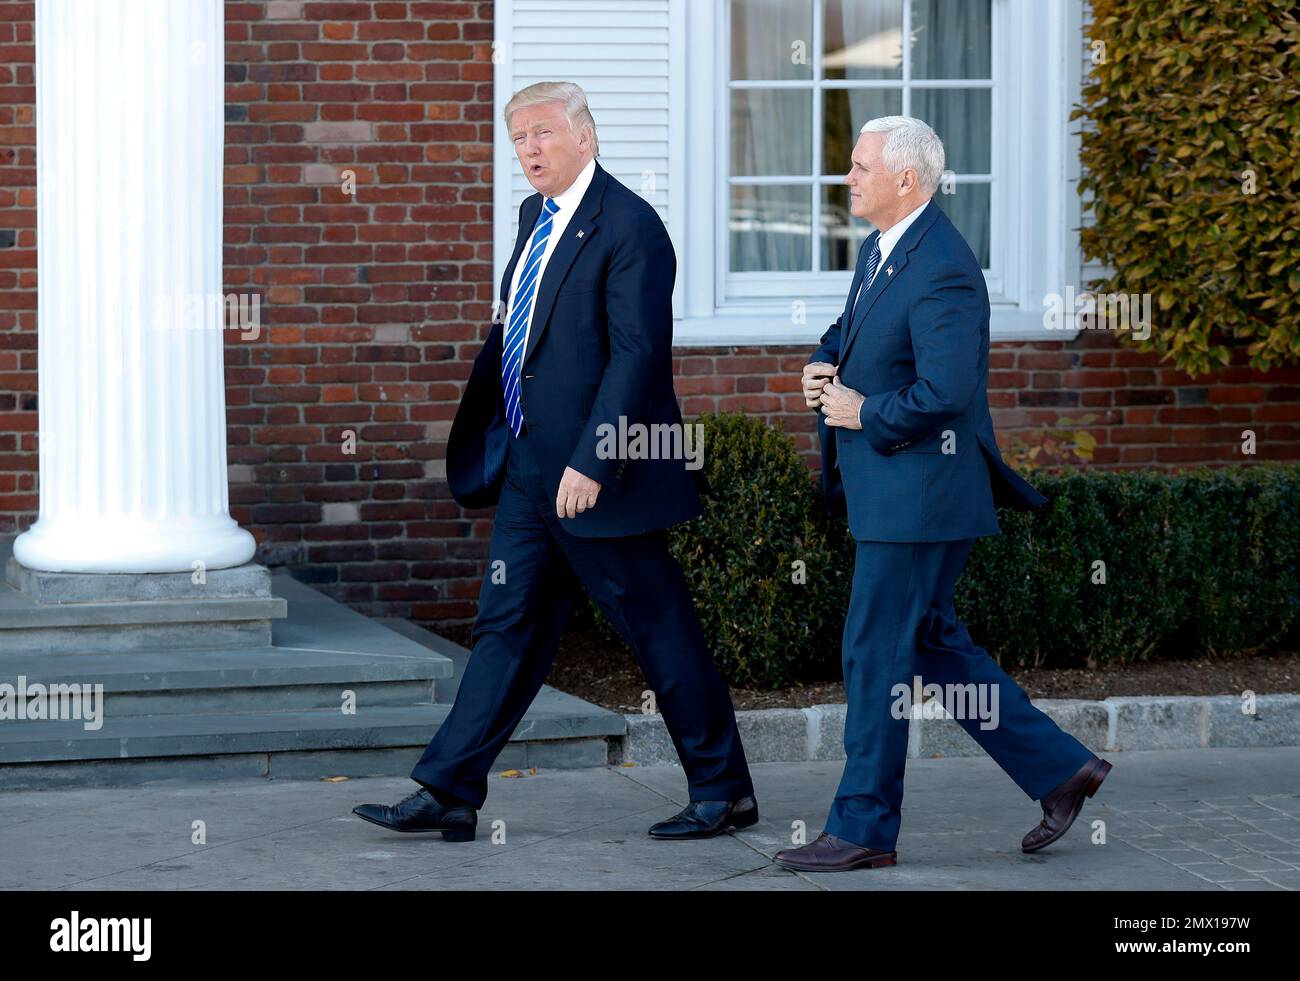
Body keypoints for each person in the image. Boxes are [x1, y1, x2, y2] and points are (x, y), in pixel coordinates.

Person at [353, 81, 756, 843]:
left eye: (542, 133)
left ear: (585, 137)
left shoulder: (631, 226)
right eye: (519, 139)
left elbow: (639, 357)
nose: (529, 150)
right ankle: (450, 787)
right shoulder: (531, 218)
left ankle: (723, 790)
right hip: (530, 472)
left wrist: (593, 461)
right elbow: (527, 334)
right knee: (506, 626)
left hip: (603, 476)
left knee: (658, 628)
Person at [775, 116, 1112, 872]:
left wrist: (865, 411)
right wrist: (822, 362)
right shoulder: (883, 248)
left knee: (873, 651)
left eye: (861, 168)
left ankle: (863, 827)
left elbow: (947, 387)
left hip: (920, 493)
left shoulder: (945, 267)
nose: (849, 179)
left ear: (907, 179)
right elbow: (853, 332)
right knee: (927, 643)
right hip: (897, 492)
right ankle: (1060, 769)